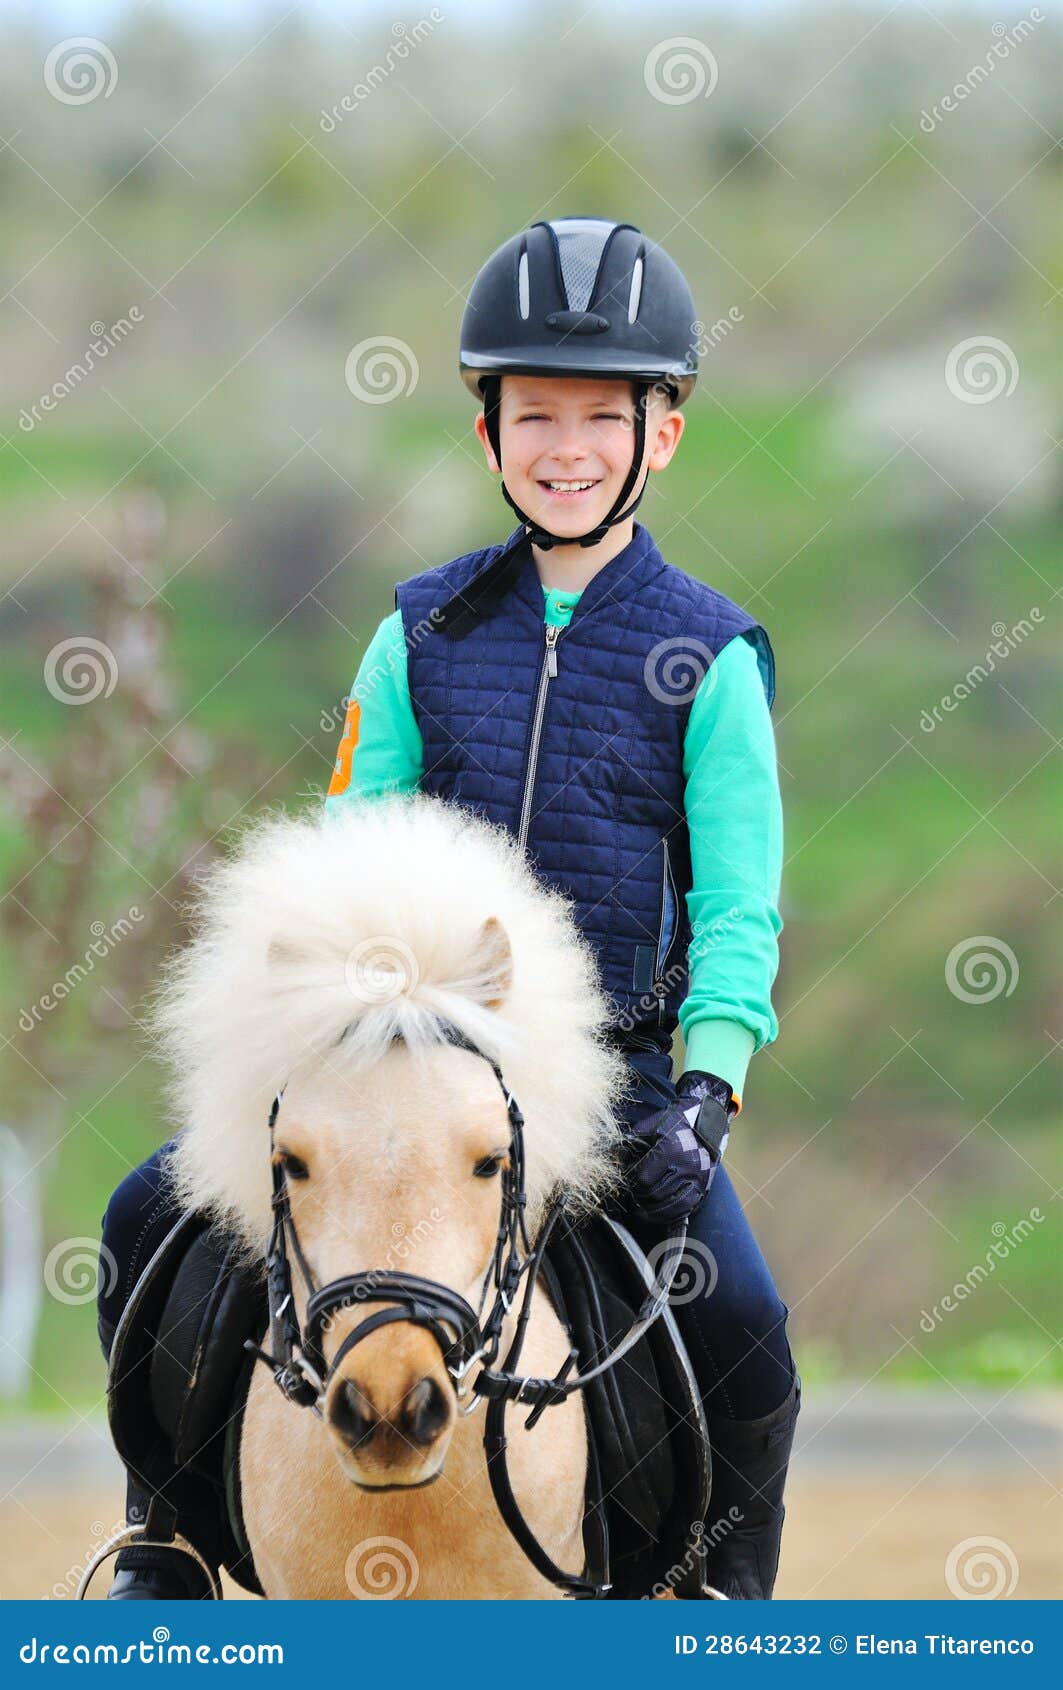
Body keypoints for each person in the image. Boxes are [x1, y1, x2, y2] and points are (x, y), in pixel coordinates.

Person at [97, 215, 798, 1601]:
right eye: (536, 413)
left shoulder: (713, 658)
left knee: (752, 1322)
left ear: (664, 434)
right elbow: (348, 854)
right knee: (140, 1219)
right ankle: (164, 1540)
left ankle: (726, 1603)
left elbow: (738, 910)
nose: (569, 445)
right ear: (489, 433)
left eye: (606, 415)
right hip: (398, 1073)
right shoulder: (416, 634)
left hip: (612, 1093)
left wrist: (709, 1092)